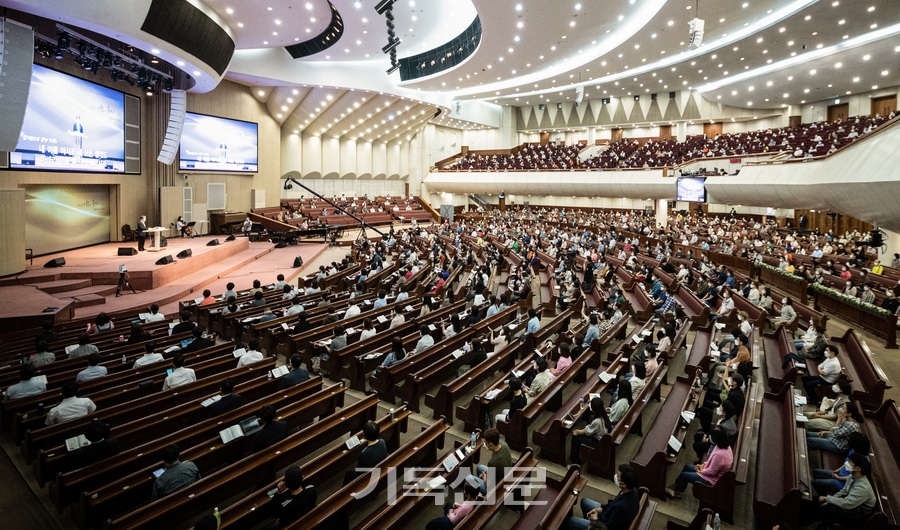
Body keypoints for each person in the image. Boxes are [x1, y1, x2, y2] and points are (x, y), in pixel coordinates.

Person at [807, 452, 877, 529]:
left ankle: (806, 520)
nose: (847, 463)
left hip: (859, 515)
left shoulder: (863, 488)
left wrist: (828, 499)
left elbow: (847, 504)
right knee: (818, 501)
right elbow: (844, 491)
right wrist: (829, 499)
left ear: (858, 468)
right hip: (852, 504)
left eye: (850, 463)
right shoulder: (852, 476)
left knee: (828, 510)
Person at [666, 425, 733, 499]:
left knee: (684, 475)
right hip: (709, 471)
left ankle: (677, 493)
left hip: (712, 480)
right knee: (687, 467)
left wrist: (700, 470)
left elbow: (711, 472)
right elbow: (711, 461)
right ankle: (675, 486)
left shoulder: (720, 455)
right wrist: (703, 465)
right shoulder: (723, 445)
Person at [567, 464, 641, 530]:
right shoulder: (631, 489)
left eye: (618, 476)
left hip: (604, 525)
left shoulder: (621, 508)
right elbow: (613, 503)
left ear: (623, 484)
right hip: (609, 514)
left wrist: (595, 520)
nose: (615, 476)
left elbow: (608, 527)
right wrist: (600, 509)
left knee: (571, 521)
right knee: (585, 501)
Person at [812, 432, 871, 496]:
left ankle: (822, 498)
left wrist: (838, 477)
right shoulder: (853, 450)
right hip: (840, 474)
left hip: (843, 483)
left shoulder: (862, 461)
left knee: (817, 483)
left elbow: (852, 478)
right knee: (815, 472)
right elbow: (847, 462)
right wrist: (838, 470)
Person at [570, 397, 612, 465]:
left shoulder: (597, 421)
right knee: (589, 419)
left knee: (576, 438)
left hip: (597, 442)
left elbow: (587, 431)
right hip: (601, 438)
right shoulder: (605, 415)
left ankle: (575, 462)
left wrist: (577, 432)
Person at [474, 428, 512, 494]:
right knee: (480, 467)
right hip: (506, 476)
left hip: (497, 488)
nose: (484, 444)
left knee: (468, 478)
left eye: (485, 442)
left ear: (490, 445)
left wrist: (484, 476)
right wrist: (486, 472)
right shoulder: (504, 445)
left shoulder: (493, 462)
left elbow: (487, 483)